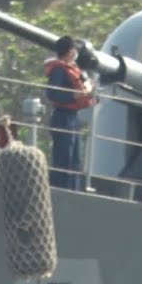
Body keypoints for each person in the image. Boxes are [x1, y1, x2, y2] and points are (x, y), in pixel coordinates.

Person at [43, 35, 94, 190]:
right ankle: (61, 190)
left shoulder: (73, 69)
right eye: (73, 49)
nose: (75, 52)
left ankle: (73, 190)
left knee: (75, 159)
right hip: (62, 117)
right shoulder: (58, 70)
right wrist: (73, 95)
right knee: (64, 158)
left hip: (72, 118)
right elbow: (52, 93)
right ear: (69, 51)